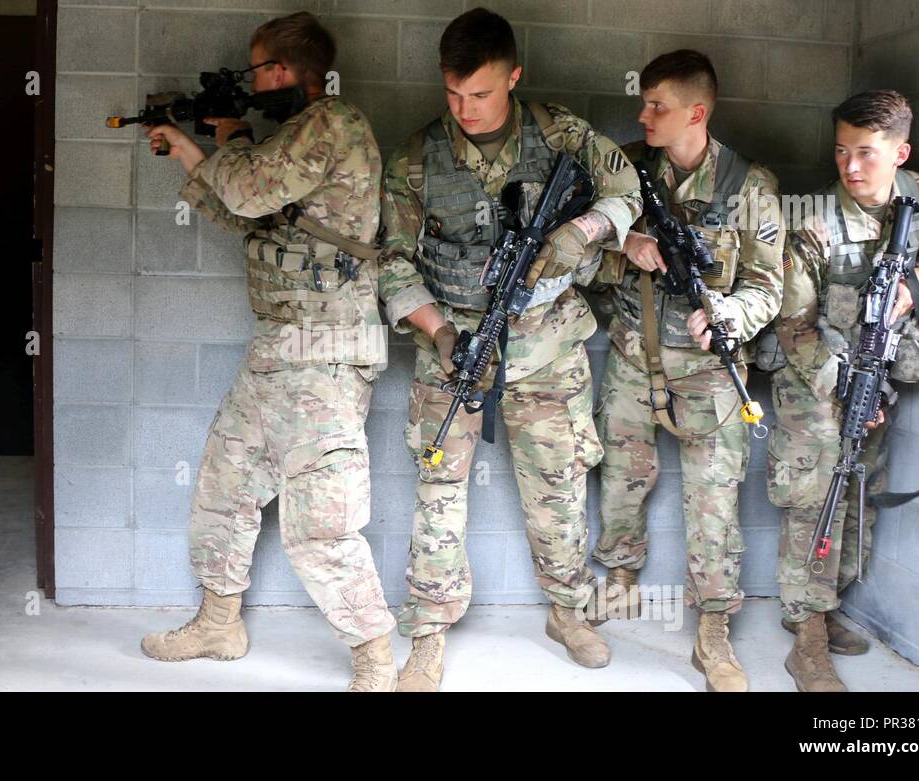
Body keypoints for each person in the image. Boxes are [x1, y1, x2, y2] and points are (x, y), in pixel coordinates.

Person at [378, 7, 641, 691]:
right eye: (453, 94)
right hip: (456, 345)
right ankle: (428, 633)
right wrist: (439, 332)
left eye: (482, 93)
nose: (465, 109)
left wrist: (580, 232)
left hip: (548, 349)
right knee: (437, 489)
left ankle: (568, 611)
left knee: (558, 489)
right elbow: (392, 263)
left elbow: (626, 191)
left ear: (514, 77)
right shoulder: (414, 158)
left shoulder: (561, 133)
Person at [137, 11, 398, 692]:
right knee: (226, 482)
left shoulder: (331, 124)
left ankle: (374, 654)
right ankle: (219, 621)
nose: (253, 82)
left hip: (327, 350)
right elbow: (248, 211)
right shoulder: (292, 138)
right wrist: (193, 149)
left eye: (257, 70)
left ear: (280, 71)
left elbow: (248, 187)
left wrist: (229, 137)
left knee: (322, 521)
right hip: (278, 345)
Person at [590, 50, 784, 692]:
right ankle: (618, 582)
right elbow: (575, 256)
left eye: (657, 106)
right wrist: (625, 245)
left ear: (696, 113)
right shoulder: (623, 169)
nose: (642, 115)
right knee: (620, 477)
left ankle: (713, 630)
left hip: (709, 373)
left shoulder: (749, 186)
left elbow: (768, 286)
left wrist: (728, 314)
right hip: (631, 357)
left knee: (714, 505)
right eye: (644, 103)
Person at [768, 89, 919, 692]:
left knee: (861, 495)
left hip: (879, 374)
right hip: (814, 376)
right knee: (814, 496)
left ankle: (829, 601)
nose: (850, 167)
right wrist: (845, 390)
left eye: (866, 153)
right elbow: (792, 327)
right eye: (841, 151)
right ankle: (807, 636)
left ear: (902, 152)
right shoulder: (813, 225)